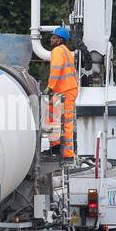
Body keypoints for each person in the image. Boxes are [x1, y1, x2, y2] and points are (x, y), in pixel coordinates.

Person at [47, 26, 79, 160]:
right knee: (53, 118)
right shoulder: (66, 51)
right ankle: (55, 147)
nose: (51, 39)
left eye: (53, 37)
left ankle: (67, 154)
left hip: (65, 91)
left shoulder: (58, 51)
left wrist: (50, 87)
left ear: (60, 40)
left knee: (66, 122)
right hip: (65, 90)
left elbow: (56, 70)